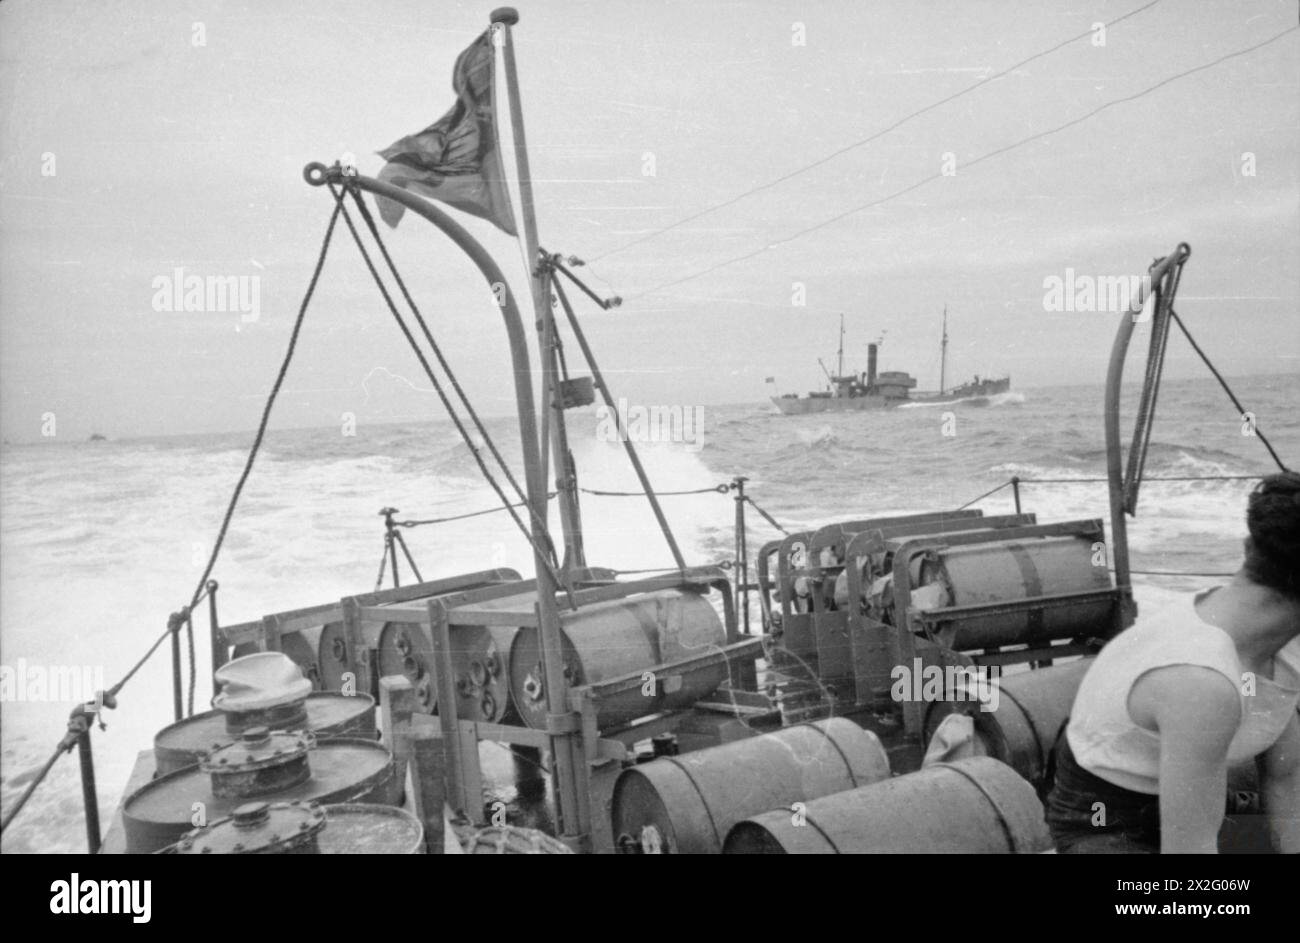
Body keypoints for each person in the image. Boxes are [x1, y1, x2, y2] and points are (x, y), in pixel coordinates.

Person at [1046, 471, 1300, 853]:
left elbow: (1285, 780)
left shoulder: (1278, 643)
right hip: (1104, 824)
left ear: (1249, 549)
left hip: (1186, 796)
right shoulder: (1201, 680)